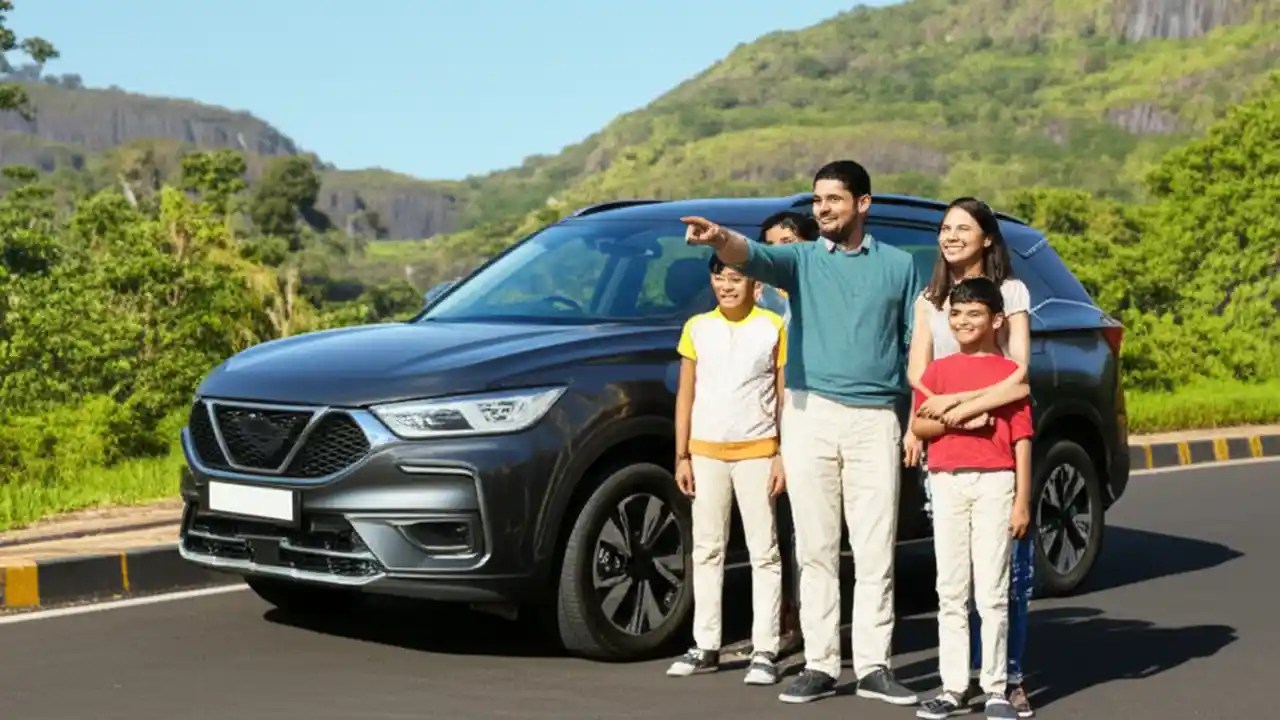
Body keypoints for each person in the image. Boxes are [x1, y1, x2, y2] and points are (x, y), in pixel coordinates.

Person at [682, 160, 922, 706]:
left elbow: (915, 347)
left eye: (834, 199)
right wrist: (719, 239)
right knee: (815, 548)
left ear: (863, 202)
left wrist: (916, 419)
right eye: (817, 201)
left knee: (874, 549)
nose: (823, 209)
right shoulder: (803, 260)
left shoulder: (899, 265)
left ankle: (875, 666)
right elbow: (756, 256)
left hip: (874, 417)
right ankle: (819, 664)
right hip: (809, 415)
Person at [904, 197, 1036, 717]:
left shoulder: (1012, 292)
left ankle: (1005, 679)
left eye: (963, 227)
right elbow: (920, 375)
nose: (951, 236)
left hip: (996, 447)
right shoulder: (931, 298)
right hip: (945, 446)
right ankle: (957, 683)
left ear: (987, 236)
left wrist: (969, 411)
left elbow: (1016, 376)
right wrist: (932, 422)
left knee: (1006, 577)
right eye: (944, 228)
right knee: (953, 582)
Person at [666, 254, 788, 686]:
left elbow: (782, 393)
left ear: (755, 284)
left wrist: (781, 453)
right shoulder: (698, 327)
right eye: (719, 278)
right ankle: (705, 644)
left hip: (757, 450)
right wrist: (682, 454)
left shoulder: (773, 326)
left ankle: (766, 648)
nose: (727, 286)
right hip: (706, 451)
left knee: (764, 551)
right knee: (707, 548)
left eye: (736, 278)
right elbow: (686, 394)